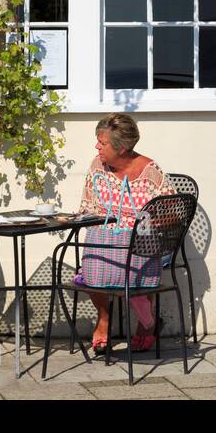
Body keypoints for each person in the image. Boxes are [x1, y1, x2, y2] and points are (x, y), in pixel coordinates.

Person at [77, 113, 173, 354]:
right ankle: (104, 320)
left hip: (141, 245)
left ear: (121, 148)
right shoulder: (97, 165)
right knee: (91, 265)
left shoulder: (150, 172)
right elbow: (88, 206)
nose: (96, 146)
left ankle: (145, 325)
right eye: (97, 141)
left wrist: (147, 224)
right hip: (105, 240)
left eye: (103, 142)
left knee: (130, 266)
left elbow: (174, 213)